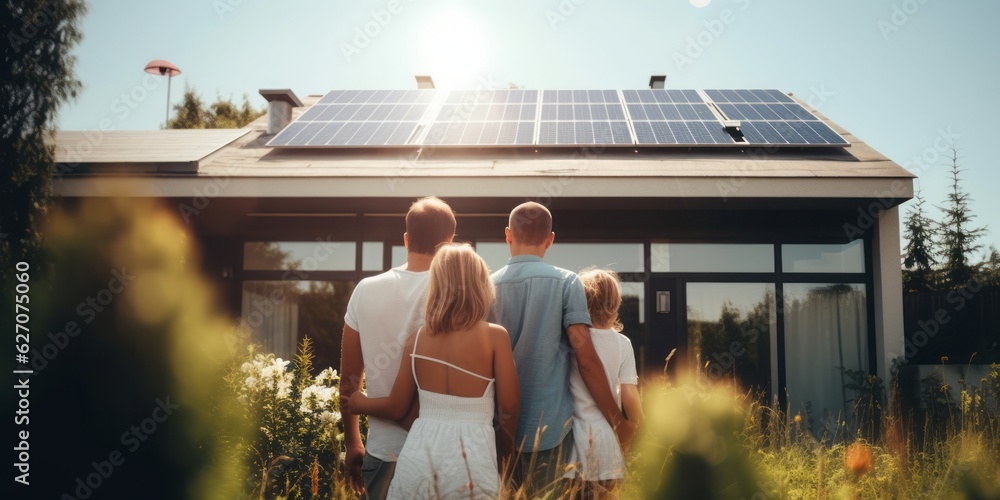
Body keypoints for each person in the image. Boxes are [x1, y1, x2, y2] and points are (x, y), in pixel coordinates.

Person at [347, 243, 520, 499]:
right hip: (472, 462)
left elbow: (396, 407)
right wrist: (505, 461)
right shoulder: (495, 337)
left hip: (419, 460)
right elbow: (511, 408)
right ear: (481, 283)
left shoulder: (417, 339)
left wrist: (359, 402)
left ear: (436, 285)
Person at [489, 201, 636, 493]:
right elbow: (587, 361)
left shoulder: (487, 286)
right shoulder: (566, 282)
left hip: (497, 430)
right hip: (551, 431)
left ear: (507, 234)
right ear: (550, 239)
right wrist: (617, 421)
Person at [339, 196, 456, 500]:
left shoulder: (366, 290)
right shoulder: (455, 294)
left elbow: (349, 377)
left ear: (406, 240)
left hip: (383, 451)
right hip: (440, 452)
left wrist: (353, 442)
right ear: (450, 242)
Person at [564, 268, 643, 496]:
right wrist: (634, 430)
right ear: (616, 302)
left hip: (573, 444)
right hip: (608, 442)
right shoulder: (623, 343)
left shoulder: (572, 340)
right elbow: (630, 397)